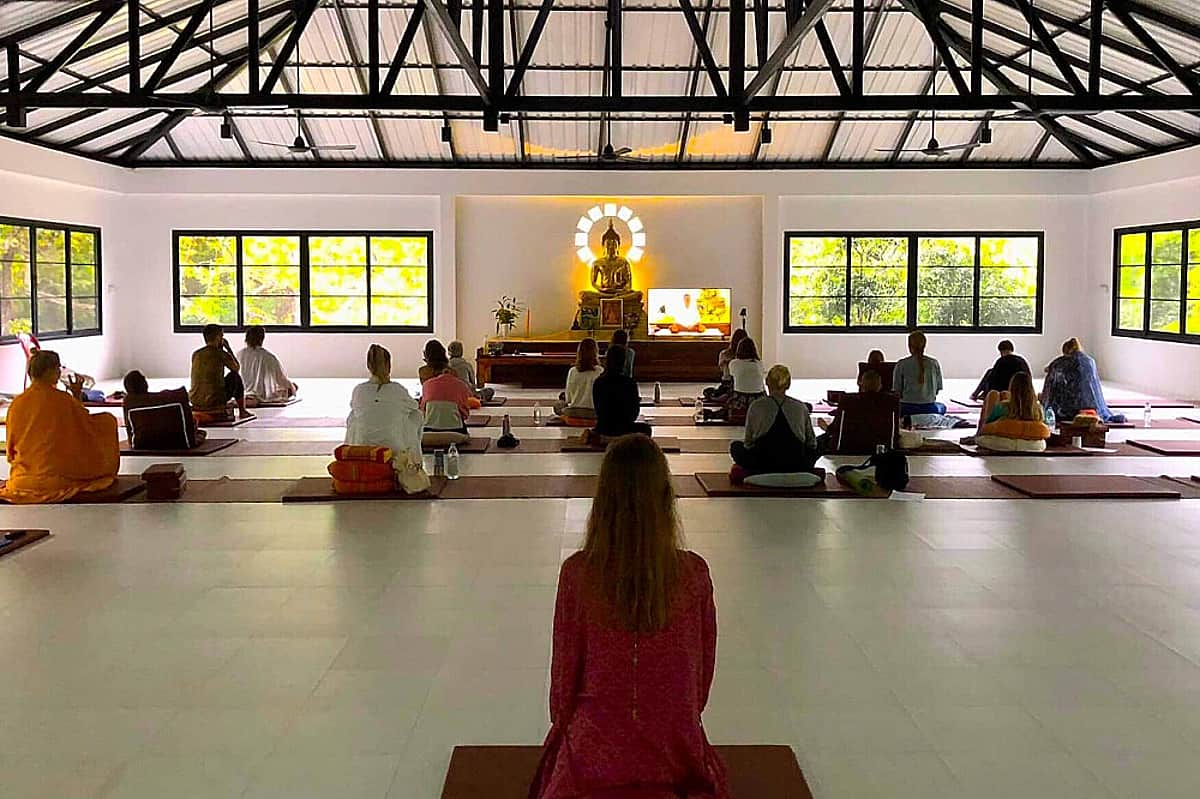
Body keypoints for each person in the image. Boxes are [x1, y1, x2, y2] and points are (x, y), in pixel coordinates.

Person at [529, 435, 730, 799]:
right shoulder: (694, 573)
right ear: (665, 500)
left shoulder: (578, 574)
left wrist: (567, 737)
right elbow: (700, 680)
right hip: (676, 746)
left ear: (603, 501)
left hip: (593, 749)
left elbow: (563, 687)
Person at [0, 350, 119, 504]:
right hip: (59, 479)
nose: (59, 372)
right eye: (57, 368)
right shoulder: (63, 400)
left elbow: (11, 451)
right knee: (108, 421)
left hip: (22, 480)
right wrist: (77, 395)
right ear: (49, 371)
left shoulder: (17, 404)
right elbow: (83, 426)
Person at [344, 344, 424, 467]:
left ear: (369, 366)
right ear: (389, 366)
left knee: (353, 416)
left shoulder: (359, 390)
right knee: (416, 415)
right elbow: (414, 406)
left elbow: (355, 406)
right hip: (395, 449)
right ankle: (414, 462)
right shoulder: (397, 389)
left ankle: (354, 452)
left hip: (362, 445)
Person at [730, 365, 818, 474]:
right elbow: (812, 444)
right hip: (797, 464)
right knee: (821, 443)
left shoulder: (756, 406)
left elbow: (748, 443)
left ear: (767, 382)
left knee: (735, 446)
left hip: (762, 464)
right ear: (788, 384)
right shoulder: (800, 406)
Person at [1041, 337, 1127, 424]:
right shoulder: (1090, 361)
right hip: (1091, 405)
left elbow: (1051, 379)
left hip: (1066, 409)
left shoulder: (1059, 362)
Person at [818, 370, 900, 454]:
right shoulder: (891, 402)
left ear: (861, 385)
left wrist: (825, 427)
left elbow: (837, 430)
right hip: (882, 452)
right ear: (880, 386)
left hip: (849, 450)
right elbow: (894, 433)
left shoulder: (847, 401)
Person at [122, 370, 206, 450]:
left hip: (141, 443)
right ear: (144, 383)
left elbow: (129, 431)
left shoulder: (128, 402)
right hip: (181, 441)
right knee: (198, 425)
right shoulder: (175, 397)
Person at [975, 371, 1051, 450]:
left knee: (994, 394)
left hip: (1004, 443)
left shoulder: (1002, 407)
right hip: (1032, 445)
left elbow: (987, 426)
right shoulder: (1038, 409)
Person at [591, 344, 651, 438]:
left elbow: (597, 410)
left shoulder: (598, 381)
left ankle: (605, 439)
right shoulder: (629, 382)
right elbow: (634, 414)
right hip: (625, 428)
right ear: (623, 362)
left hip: (604, 428)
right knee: (646, 429)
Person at [189, 324, 248, 418]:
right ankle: (243, 411)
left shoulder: (196, 354)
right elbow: (236, 368)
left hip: (195, 399)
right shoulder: (221, 354)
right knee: (235, 377)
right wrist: (228, 349)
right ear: (218, 337)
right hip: (214, 399)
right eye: (222, 336)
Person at [420, 341, 473, 434]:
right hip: (456, 430)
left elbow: (423, 409)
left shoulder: (423, 374)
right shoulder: (456, 375)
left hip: (429, 429)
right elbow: (465, 413)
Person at [710, 336, 765, 422]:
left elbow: (731, 380)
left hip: (739, 400)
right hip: (758, 399)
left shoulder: (734, 363)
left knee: (712, 393)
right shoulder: (760, 364)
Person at [237, 325, 297, 404]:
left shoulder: (239, 354)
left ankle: (248, 397)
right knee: (293, 387)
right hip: (261, 393)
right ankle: (253, 398)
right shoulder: (268, 356)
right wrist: (292, 387)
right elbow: (281, 379)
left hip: (243, 391)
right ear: (262, 339)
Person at [893, 331, 945, 416]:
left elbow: (897, 391)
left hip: (906, 408)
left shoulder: (901, 364)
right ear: (924, 346)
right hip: (929, 409)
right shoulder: (934, 363)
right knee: (942, 407)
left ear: (909, 346)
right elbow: (937, 390)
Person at [553, 337, 601, 418]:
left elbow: (568, 399)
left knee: (558, 405)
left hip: (574, 412)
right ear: (596, 353)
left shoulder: (573, 371)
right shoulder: (600, 371)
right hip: (594, 413)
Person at [703, 328, 748, 401]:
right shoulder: (752, 360)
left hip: (728, 385)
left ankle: (720, 397)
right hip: (743, 385)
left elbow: (721, 369)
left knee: (708, 392)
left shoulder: (724, 354)